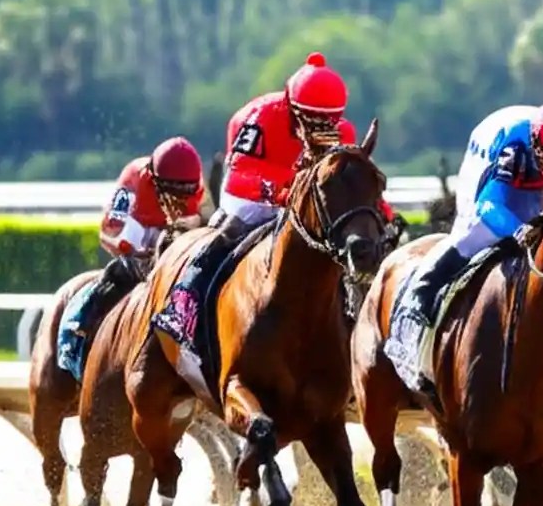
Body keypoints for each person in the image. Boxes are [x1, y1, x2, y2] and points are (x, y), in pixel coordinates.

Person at [152, 52, 358, 366]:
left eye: (329, 122)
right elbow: (238, 175)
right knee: (224, 236)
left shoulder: (344, 133)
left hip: (302, 201)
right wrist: (284, 187)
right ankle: (182, 309)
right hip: (252, 197)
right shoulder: (261, 117)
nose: (323, 130)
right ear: (293, 107)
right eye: (313, 122)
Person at [384, 101, 543, 388]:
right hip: (488, 174)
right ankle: (419, 302)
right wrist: (520, 230)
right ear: (537, 147)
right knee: (474, 235)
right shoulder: (514, 148)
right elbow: (488, 204)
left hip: (535, 178)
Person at [73, 137, 205, 342]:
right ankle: (86, 318)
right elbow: (107, 233)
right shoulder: (133, 180)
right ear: (153, 179)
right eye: (172, 191)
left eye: (187, 191)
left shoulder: (198, 187)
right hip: (138, 223)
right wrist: (127, 250)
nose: (180, 199)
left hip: (174, 227)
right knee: (129, 262)